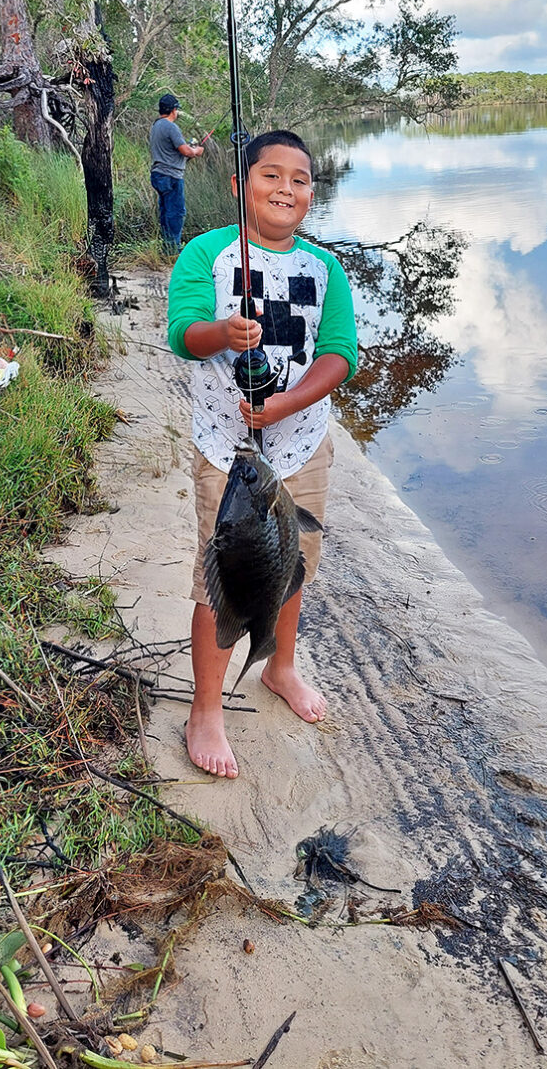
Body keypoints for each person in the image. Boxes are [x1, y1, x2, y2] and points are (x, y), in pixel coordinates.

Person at [167, 129, 357, 778]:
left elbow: (340, 352)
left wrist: (287, 403)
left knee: (292, 564)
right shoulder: (207, 254)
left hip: (302, 443)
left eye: (299, 179)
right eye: (270, 175)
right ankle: (206, 709)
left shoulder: (325, 268)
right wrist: (220, 331)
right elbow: (182, 334)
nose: (286, 188)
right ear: (238, 186)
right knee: (218, 577)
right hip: (228, 451)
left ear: (311, 192)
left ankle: (279, 666)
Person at [149, 93, 203, 252]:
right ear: (173, 110)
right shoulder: (170, 126)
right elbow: (186, 151)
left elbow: (171, 152)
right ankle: (173, 249)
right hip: (171, 177)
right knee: (176, 212)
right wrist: (197, 150)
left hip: (159, 174)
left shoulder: (156, 126)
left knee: (166, 212)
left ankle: (167, 247)